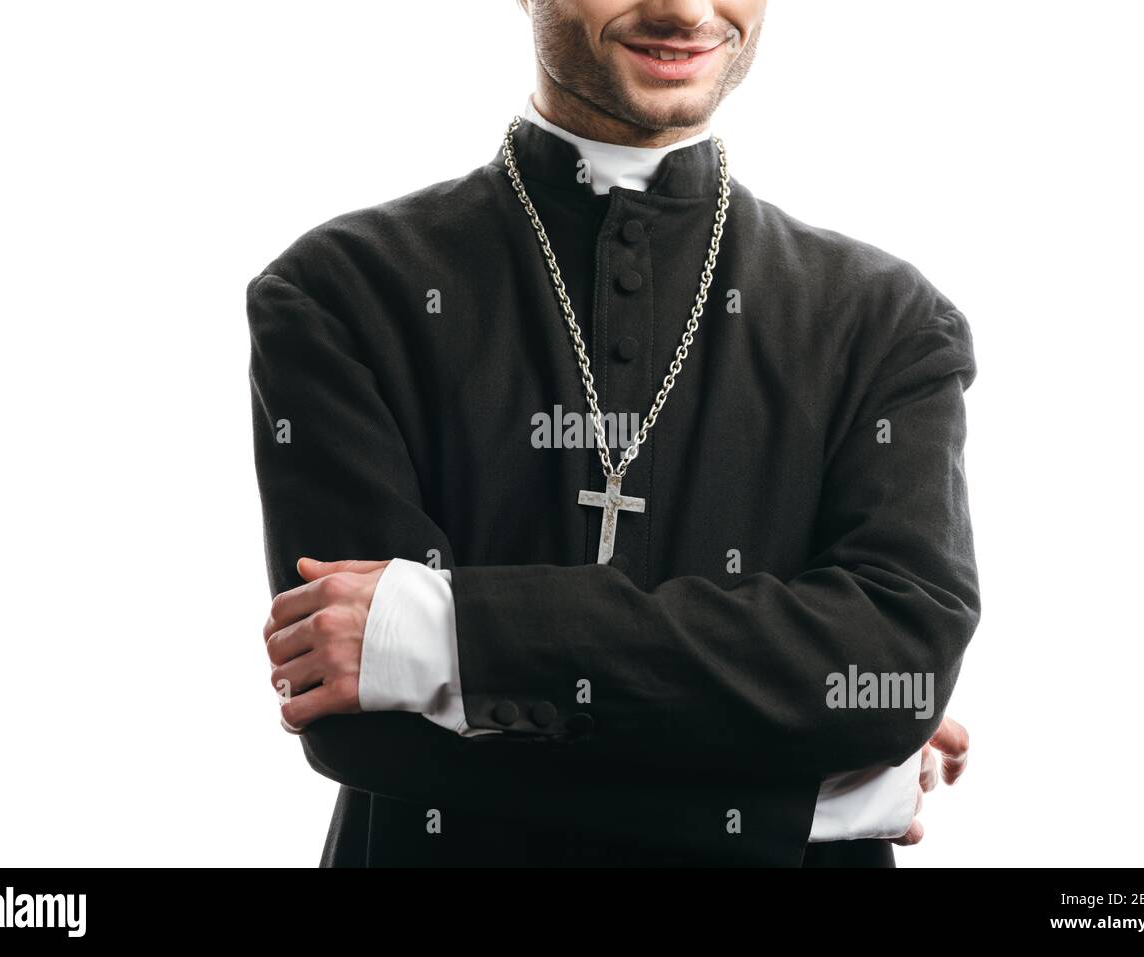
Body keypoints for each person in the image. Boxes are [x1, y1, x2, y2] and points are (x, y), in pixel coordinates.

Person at [248, 0, 978, 867]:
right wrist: (812, 799)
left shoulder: (889, 321)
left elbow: (892, 673)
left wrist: (451, 635)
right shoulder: (339, 293)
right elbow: (365, 730)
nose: (681, 9)